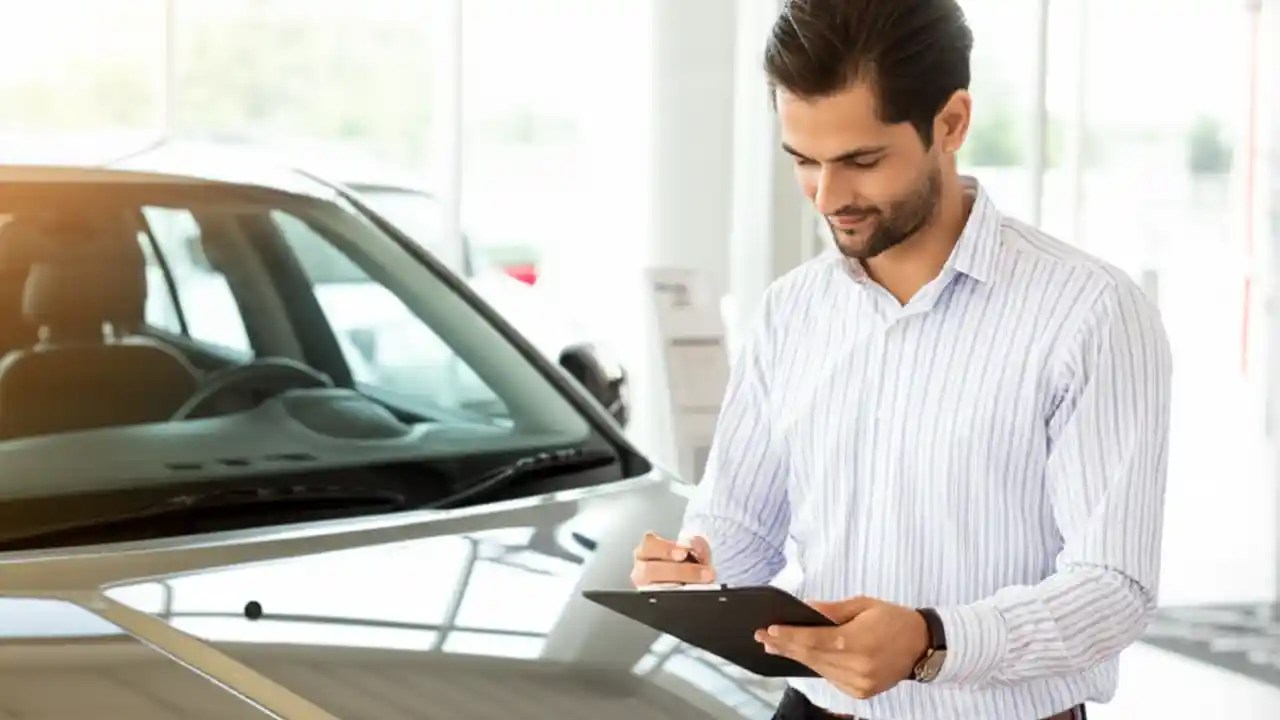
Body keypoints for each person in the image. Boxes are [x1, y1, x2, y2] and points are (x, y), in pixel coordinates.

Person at [630, 1, 1172, 718]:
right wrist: (695, 570)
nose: (829, 197)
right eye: (804, 161)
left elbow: (1114, 588)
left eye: (861, 161)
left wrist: (932, 640)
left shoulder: (1090, 312)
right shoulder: (791, 311)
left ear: (951, 123)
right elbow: (740, 528)